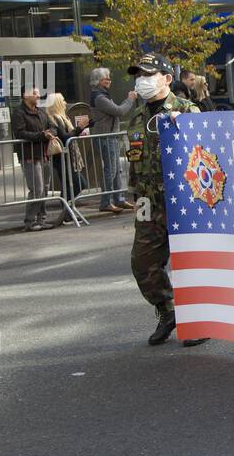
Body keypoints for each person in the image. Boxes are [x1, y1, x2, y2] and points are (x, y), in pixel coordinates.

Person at [121, 53, 206, 347]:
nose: (142, 81)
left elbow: (206, 151)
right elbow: (135, 162)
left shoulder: (187, 110)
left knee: (189, 264)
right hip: (148, 203)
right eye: (139, 76)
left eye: (148, 74)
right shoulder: (135, 117)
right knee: (143, 265)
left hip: (183, 201)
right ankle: (167, 312)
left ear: (167, 79)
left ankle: (196, 321)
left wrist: (188, 126)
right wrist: (135, 195)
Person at [88, 67, 136, 215]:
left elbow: (116, 110)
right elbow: (119, 111)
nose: (109, 80)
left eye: (109, 78)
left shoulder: (103, 95)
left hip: (109, 136)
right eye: (105, 78)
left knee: (116, 169)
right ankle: (106, 202)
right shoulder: (100, 97)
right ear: (98, 81)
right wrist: (130, 99)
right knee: (111, 170)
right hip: (105, 137)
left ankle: (118, 198)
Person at [10, 87, 56, 231]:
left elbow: (53, 126)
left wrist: (50, 133)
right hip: (29, 155)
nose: (37, 95)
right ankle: (30, 222)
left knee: (45, 188)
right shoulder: (19, 112)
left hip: (44, 154)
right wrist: (42, 135)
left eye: (37, 93)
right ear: (25, 95)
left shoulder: (41, 111)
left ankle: (41, 219)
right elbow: (20, 133)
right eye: (34, 93)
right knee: (37, 189)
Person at [43, 92, 88, 208]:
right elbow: (64, 137)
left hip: (69, 158)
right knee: (78, 183)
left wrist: (83, 127)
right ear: (57, 103)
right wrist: (79, 128)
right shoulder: (55, 119)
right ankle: (65, 208)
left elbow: (69, 135)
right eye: (62, 100)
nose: (65, 103)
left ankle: (67, 210)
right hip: (62, 158)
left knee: (70, 184)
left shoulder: (63, 118)